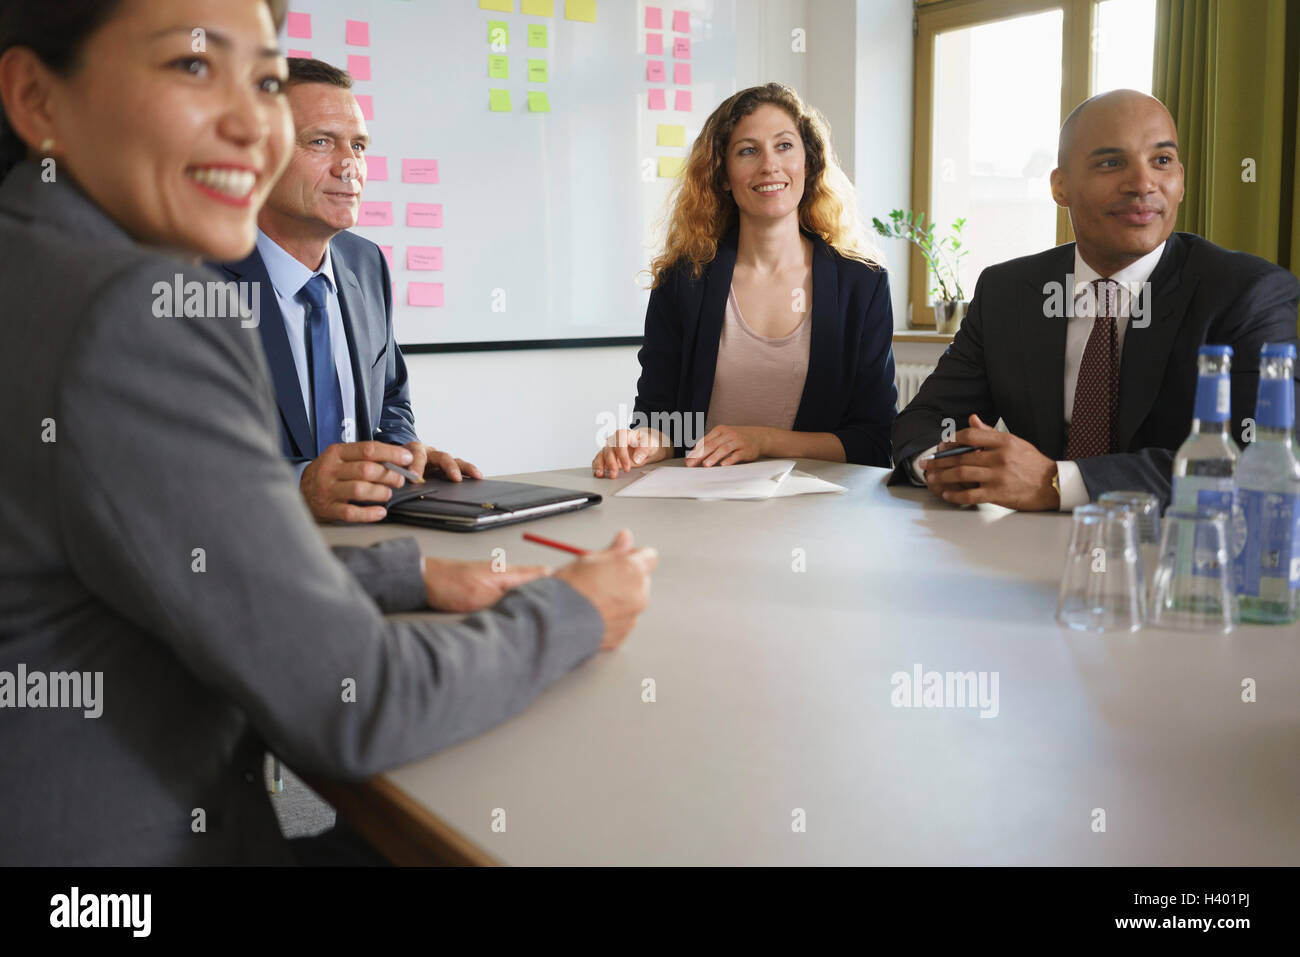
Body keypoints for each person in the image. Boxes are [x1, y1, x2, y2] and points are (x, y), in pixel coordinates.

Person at [0, 0, 655, 865]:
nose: (251, 125)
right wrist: (571, 612)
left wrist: (406, 570)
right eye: (193, 66)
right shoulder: (144, 310)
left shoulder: (38, 262)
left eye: (266, 81)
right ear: (37, 99)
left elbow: (187, 547)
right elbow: (356, 700)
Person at [892, 89, 1300, 509]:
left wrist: (1057, 482)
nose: (1142, 184)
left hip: (1181, 555)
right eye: (1111, 163)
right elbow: (924, 422)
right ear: (1060, 186)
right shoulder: (1007, 291)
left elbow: (1258, 459)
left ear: (1181, 180)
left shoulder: (1249, 293)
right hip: (1021, 552)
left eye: (1161, 161)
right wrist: (951, 466)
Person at [215, 57, 474, 524]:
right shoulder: (193, 278)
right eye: (321, 142)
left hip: (367, 540)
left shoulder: (365, 263)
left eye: (358, 146)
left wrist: (397, 462)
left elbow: (391, 393)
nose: (350, 166)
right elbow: (173, 456)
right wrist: (298, 486)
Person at [593, 82, 897, 478]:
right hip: (702, 503)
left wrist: (762, 441)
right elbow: (664, 418)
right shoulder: (683, 281)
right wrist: (646, 441)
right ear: (723, 175)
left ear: (809, 162)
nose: (769, 164)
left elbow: (875, 441)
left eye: (784, 146)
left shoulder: (863, 284)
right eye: (748, 151)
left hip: (818, 513)